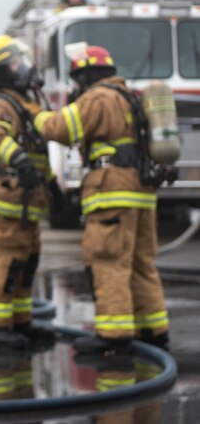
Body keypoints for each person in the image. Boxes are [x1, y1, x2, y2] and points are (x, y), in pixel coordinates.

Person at [33, 44, 169, 355]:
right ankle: (154, 332)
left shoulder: (99, 97)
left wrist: (36, 116)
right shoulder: (130, 98)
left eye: (77, 79)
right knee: (141, 265)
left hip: (112, 193)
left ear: (86, 75)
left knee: (109, 263)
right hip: (141, 196)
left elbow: (61, 128)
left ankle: (114, 337)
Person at [0, 35, 56, 351]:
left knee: (26, 262)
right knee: (5, 261)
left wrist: (51, 186)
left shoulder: (23, 103)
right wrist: (18, 159)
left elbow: (37, 151)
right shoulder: (1, 104)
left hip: (27, 201)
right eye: (18, 63)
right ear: (5, 70)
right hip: (9, 199)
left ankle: (20, 322)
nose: (24, 68)